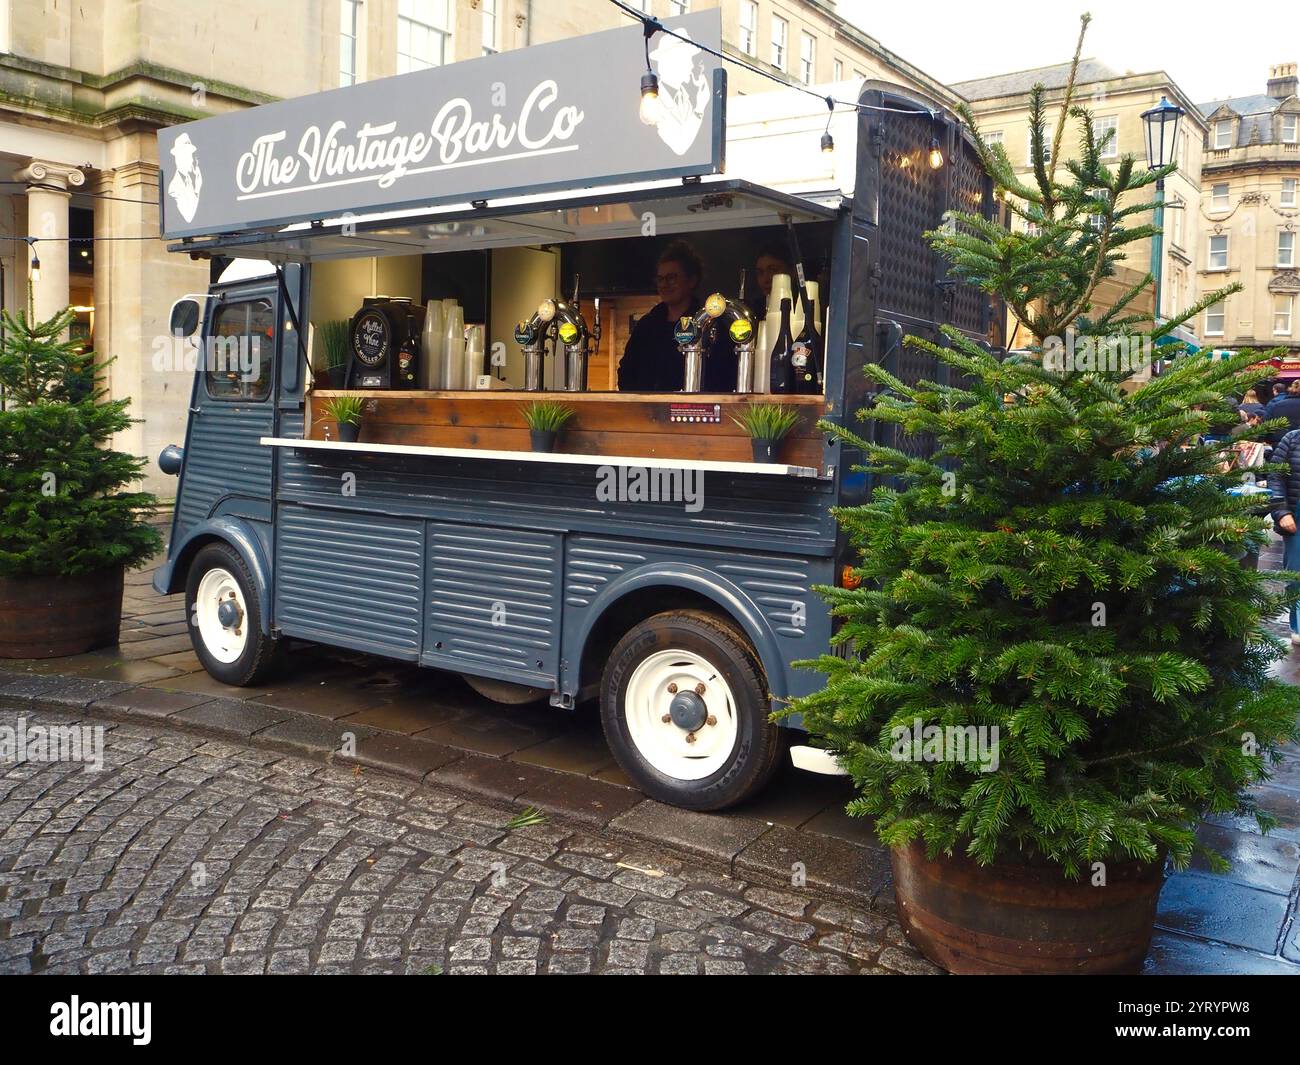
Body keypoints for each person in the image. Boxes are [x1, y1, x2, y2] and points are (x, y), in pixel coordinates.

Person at [618, 241, 736, 392]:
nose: (664, 284)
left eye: (671, 278)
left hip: (694, 411)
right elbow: (626, 371)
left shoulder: (709, 325)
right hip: (648, 412)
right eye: (660, 279)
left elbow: (724, 375)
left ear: (691, 280)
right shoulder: (647, 325)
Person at [1268, 427, 1300, 646]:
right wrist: (1282, 512)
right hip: (1297, 517)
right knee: (1296, 571)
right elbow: (1275, 476)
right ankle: (1298, 624)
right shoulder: (1293, 439)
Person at [750, 243, 793, 318]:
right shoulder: (753, 312)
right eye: (760, 272)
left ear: (792, 272)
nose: (765, 279)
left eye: (773, 270)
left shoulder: (802, 308)